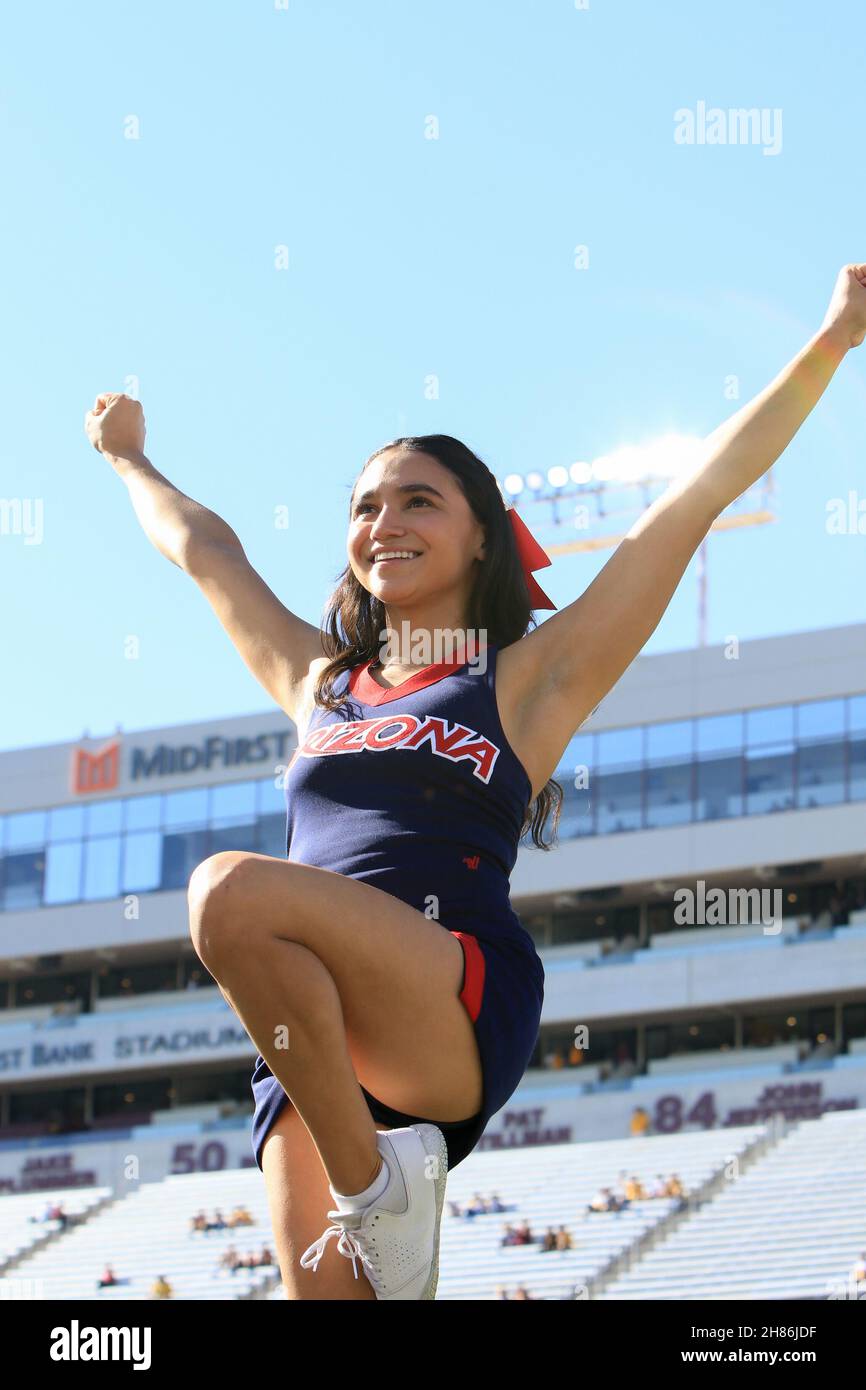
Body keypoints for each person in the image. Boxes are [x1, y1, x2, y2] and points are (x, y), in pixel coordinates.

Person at [84, 268, 866, 1300]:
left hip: (443, 997)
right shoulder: (319, 681)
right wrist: (128, 457)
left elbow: (693, 500)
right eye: (364, 505)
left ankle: (382, 1193)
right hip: (309, 1052)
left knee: (228, 889)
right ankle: (378, 1188)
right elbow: (205, 550)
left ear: (481, 533)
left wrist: (831, 339)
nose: (383, 520)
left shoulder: (527, 677)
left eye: (418, 499)